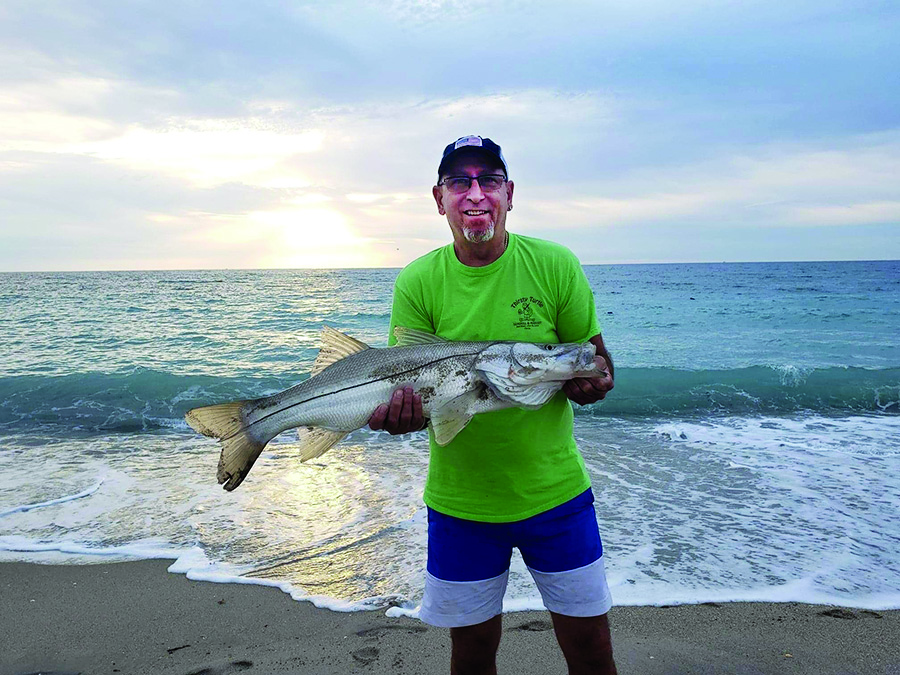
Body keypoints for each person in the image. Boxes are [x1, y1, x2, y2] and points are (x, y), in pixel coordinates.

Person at [368, 135, 617, 675]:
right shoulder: (418, 279)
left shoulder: (554, 264)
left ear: (509, 194)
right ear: (440, 199)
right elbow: (403, 383)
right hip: (462, 505)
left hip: (556, 495)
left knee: (591, 647)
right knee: (472, 653)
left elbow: (594, 362)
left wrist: (592, 382)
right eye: (460, 182)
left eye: (489, 181)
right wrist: (400, 416)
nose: (475, 194)